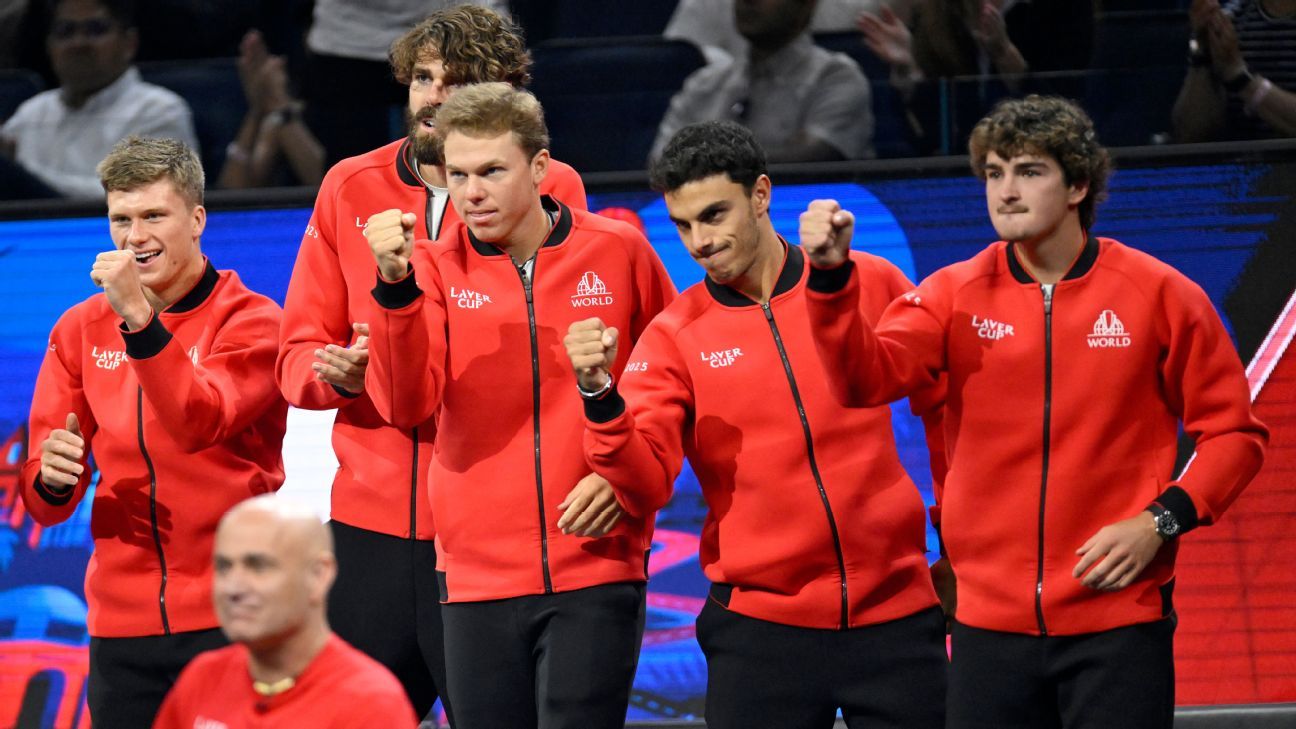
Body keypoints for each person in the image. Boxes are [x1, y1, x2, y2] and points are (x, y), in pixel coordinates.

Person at [800, 95, 1268, 729]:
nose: (1006, 192)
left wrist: (1160, 521)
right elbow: (864, 380)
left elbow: (1235, 435)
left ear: (1078, 184)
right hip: (986, 626)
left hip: (1118, 620)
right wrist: (830, 283)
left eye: (1029, 171)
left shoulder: (1159, 294)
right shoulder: (949, 295)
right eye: (994, 173)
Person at [564, 119, 948, 729]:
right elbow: (644, 484)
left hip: (897, 619)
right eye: (683, 226)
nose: (700, 242)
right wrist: (599, 396)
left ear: (761, 195)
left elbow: (945, 407)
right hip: (761, 635)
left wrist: (955, 538)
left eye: (714, 216)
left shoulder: (869, 281)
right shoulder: (674, 335)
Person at [275, 7, 588, 722]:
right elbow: (294, 353)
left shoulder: (552, 186)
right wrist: (336, 372)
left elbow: (543, 353)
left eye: (458, 82)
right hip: (371, 530)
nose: (432, 97)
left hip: (489, 531)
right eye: (422, 78)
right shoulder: (348, 186)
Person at [362, 82, 676, 729]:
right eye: (458, 175)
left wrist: (629, 474)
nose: (472, 192)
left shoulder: (617, 251)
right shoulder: (428, 266)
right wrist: (392, 289)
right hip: (476, 573)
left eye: (492, 172)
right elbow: (403, 401)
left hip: (595, 563)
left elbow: (674, 377)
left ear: (538, 168)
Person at [20, 135, 288, 728]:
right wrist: (56, 478)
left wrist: (139, 320)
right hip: (122, 626)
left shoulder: (253, 321)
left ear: (196, 220)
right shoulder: (80, 329)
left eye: (153, 217)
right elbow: (40, 499)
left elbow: (200, 421)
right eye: (120, 219)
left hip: (234, 613)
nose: (134, 237)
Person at [153, 495, 417, 729]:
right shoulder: (202, 679)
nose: (234, 587)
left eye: (258, 567)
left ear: (319, 575)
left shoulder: (370, 703)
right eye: (224, 567)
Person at [0, 0, 198, 198]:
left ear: (130, 43)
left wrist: (23, 174)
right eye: (65, 31)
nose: (78, 43)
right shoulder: (30, 112)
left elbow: (136, 198)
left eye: (96, 29)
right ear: (49, 46)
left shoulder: (160, 110)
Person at [651, 0, 874, 163]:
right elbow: (659, 164)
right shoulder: (703, 84)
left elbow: (810, 161)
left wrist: (701, 163)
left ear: (807, 5)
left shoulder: (836, 78)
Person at [302, 0, 507, 167]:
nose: (433, 97)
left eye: (453, 83)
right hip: (349, 41)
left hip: (466, 23)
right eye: (422, 78)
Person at [1172, 0, 1296, 142]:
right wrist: (1202, 54)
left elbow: (1236, 74)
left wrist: (1242, 79)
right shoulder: (1229, 18)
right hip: (1240, 161)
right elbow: (1189, 135)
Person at [218, 29, 325, 189]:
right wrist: (256, 110)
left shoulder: (354, 114)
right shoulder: (274, 122)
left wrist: (281, 107)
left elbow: (337, 193)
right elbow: (231, 192)